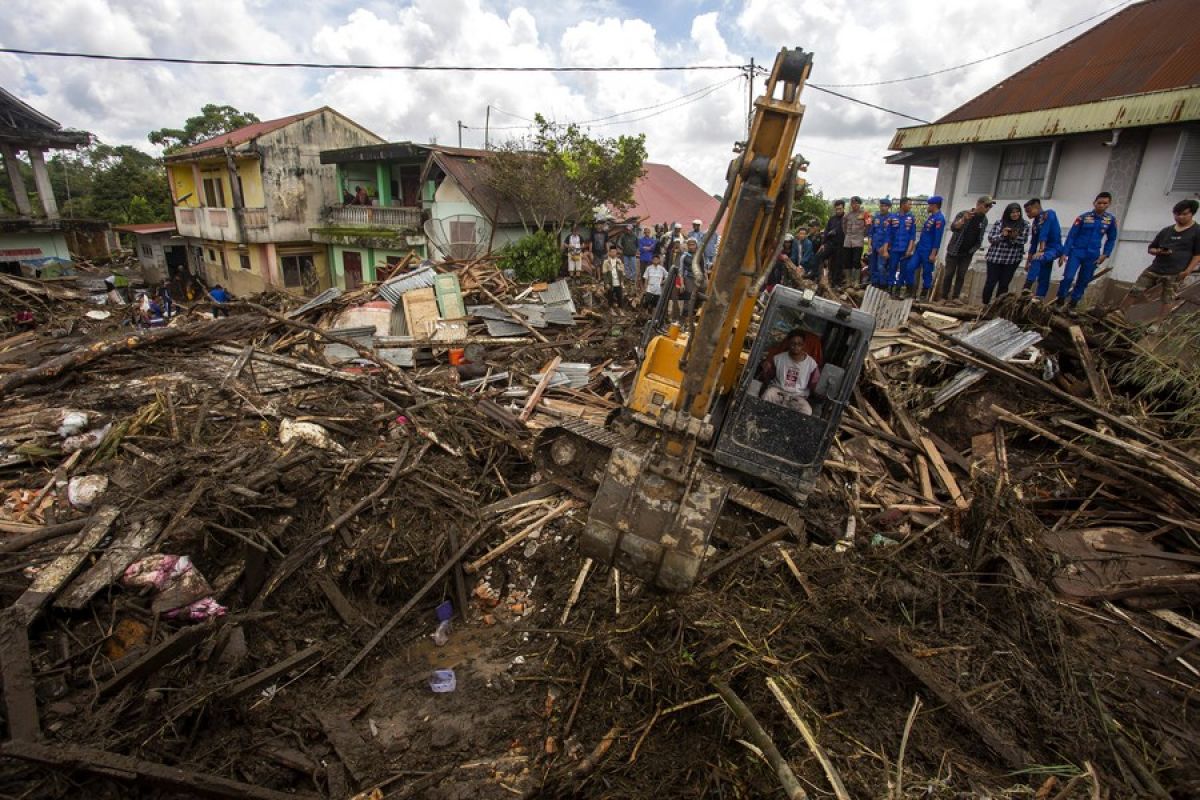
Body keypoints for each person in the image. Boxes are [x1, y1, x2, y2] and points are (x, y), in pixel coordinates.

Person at [1126, 199, 1200, 313]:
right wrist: (1158, 251)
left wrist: (1187, 271)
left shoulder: (1197, 231)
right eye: (1177, 214)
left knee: (1167, 299)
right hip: (1155, 268)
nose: (1180, 217)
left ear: (1192, 214)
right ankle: (1119, 313)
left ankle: (1157, 324)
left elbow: (1197, 254)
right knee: (1135, 290)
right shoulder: (1166, 231)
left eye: (1184, 214)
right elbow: (1151, 248)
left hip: (1175, 272)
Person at [1056, 192, 1118, 312]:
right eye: (1099, 203)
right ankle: (1060, 301)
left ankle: (1073, 305)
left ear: (1109, 204)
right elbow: (1072, 236)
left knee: (1083, 280)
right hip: (1076, 252)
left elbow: (1111, 238)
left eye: (1105, 203)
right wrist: (1065, 253)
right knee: (1068, 277)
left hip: (1093, 254)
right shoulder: (1083, 217)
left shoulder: (1110, 220)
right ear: (1094, 203)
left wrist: (1105, 254)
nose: (1101, 205)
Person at [940, 196, 993, 301]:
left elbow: (980, 237)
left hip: (967, 253)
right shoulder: (964, 214)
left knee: (961, 275)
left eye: (990, 206)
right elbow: (954, 227)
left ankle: (955, 297)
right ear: (979, 204)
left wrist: (973, 250)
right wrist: (964, 219)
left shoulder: (984, 220)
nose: (988, 209)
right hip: (954, 251)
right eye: (986, 206)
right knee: (949, 274)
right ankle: (944, 297)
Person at [762, 329, 821, 415]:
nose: (796, 346)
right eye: (793, 343)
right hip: (778, 391)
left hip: (798, 397)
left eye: (799, 344)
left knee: (807, 411)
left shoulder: (812, 364)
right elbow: (768, 376)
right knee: (767, 395)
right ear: (788, 343)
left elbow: (815, 384)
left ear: (804, 345)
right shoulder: (778, 358)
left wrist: (819, 392)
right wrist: (767, 369)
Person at [981, 203, 1030, 304]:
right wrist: (1003, 235)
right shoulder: (999, 223)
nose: (1015, 214)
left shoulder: (1025, 224)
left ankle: (998, 306)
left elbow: (1023, 240)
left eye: (1017, 212)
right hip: (995, 258)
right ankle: (985, 305)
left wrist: (1013, 236)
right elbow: (991, 238)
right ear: (1008, 213)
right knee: (990, 283)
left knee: (1004, 285)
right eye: (1012, 212)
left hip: (1011, 260)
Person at [1020, 198, 1063, 301]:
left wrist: (1041, 251)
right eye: (1026, 212)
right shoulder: (1035, 223)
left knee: (1038, 259)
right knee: (1044, 275)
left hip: (1054, 248)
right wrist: (1028, 261)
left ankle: (1027, 287)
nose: (1027, 214)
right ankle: (1039, 298)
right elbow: (1034, 243)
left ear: (1037, 207)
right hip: (1044, 251)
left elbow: (1045, 232)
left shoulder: (1049, 214)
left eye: (1029, 211)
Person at [906, 195, 945, 299]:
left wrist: (933, 253)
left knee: (927, 273)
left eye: (929, 205)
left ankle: (924, 295)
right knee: (910, 267)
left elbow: (938, 238)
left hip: (928, 250)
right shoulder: (931, 217)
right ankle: (910, 291)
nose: (928, 207)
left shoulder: (939, 219)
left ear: (934, 205)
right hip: (920, 248)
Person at [882, 197, 916, 291]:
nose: (910, 206)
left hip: (905, 250)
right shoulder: (892, 218)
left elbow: (912, 236)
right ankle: (890, 287)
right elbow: (887, 235)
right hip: (894, 249)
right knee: (892, 268)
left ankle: (898, 288)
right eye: (909, 204)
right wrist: (885, 250)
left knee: (904, 270)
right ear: (903, 205)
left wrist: (909, 249)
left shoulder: (911, 218)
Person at [840, 196, 871, 289]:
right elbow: (844, 227)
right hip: (848, 240)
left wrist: (862, 235)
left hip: (858, 240)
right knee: (847, 260)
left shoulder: (865, 214)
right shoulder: (847, 215)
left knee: (856, 260)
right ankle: (848, 281)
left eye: (856, 203)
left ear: (859, 204)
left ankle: (856, 281)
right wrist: (848, 235)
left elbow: (868, 226)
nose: (854, 205)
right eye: (852, 203)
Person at [867, 198, 894, 288]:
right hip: (874, 245)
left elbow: (892, 236)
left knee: (881, 266)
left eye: (884, 206)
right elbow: (871, 232)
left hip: (884, 247)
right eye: (881, 206)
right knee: (873, 266)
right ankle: (874, 283)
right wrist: (869, 245)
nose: (882, 208)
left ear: (889, 207)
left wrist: (884, 248)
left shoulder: (892, 218)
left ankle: (883, 284)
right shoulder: (876, 217)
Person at [819, 201, 846, 285]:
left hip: (842, 245)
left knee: (837, 264)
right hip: (830, 243)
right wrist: (823, 243)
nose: (838, 211)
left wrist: (837, 231)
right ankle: (819, 277)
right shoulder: (832, 219)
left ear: (843, 208)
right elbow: (826, 231)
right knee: (819, 256)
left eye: (840, 209)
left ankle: (835, 282)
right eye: (836, 209)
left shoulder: (846, 218)